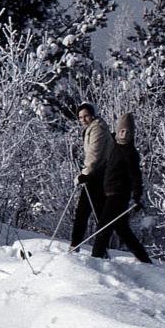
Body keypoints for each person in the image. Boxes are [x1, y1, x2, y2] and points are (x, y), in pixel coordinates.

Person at [91, 113, 152, 263]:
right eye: (122, 131)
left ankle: (96, 259)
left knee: (103, 227)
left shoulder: (130, 153)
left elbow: (136, 177)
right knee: (123, 230)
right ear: (118, 130)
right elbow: (105, 166)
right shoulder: (113, 146)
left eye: (128, 132)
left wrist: (137, 197)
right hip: (108, 192)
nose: (124, 134)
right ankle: (144, 259)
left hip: (119, 195)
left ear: (132, 134)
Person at [69, 102, 112, 251]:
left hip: (97, 175)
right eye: (80, 117)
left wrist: (85, 173)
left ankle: (77, 246)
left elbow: (95, 153)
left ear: (93, 114)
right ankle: (99, 249)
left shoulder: (98, 128)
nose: (83, 119)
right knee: (95, 212)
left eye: (86, 115)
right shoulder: (92, 128)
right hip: (96, 174)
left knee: (85, 211)